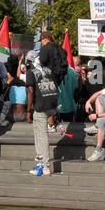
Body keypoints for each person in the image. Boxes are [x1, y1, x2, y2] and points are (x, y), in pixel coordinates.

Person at [26, 46, 60, 176]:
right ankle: (40, 157)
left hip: (40, 106)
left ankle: (44, 166)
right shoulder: (48, 70)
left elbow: (30, 91)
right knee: (38, 130)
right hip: (51, 104)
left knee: (42, 135)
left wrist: (28, 109)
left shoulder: (31, 72)